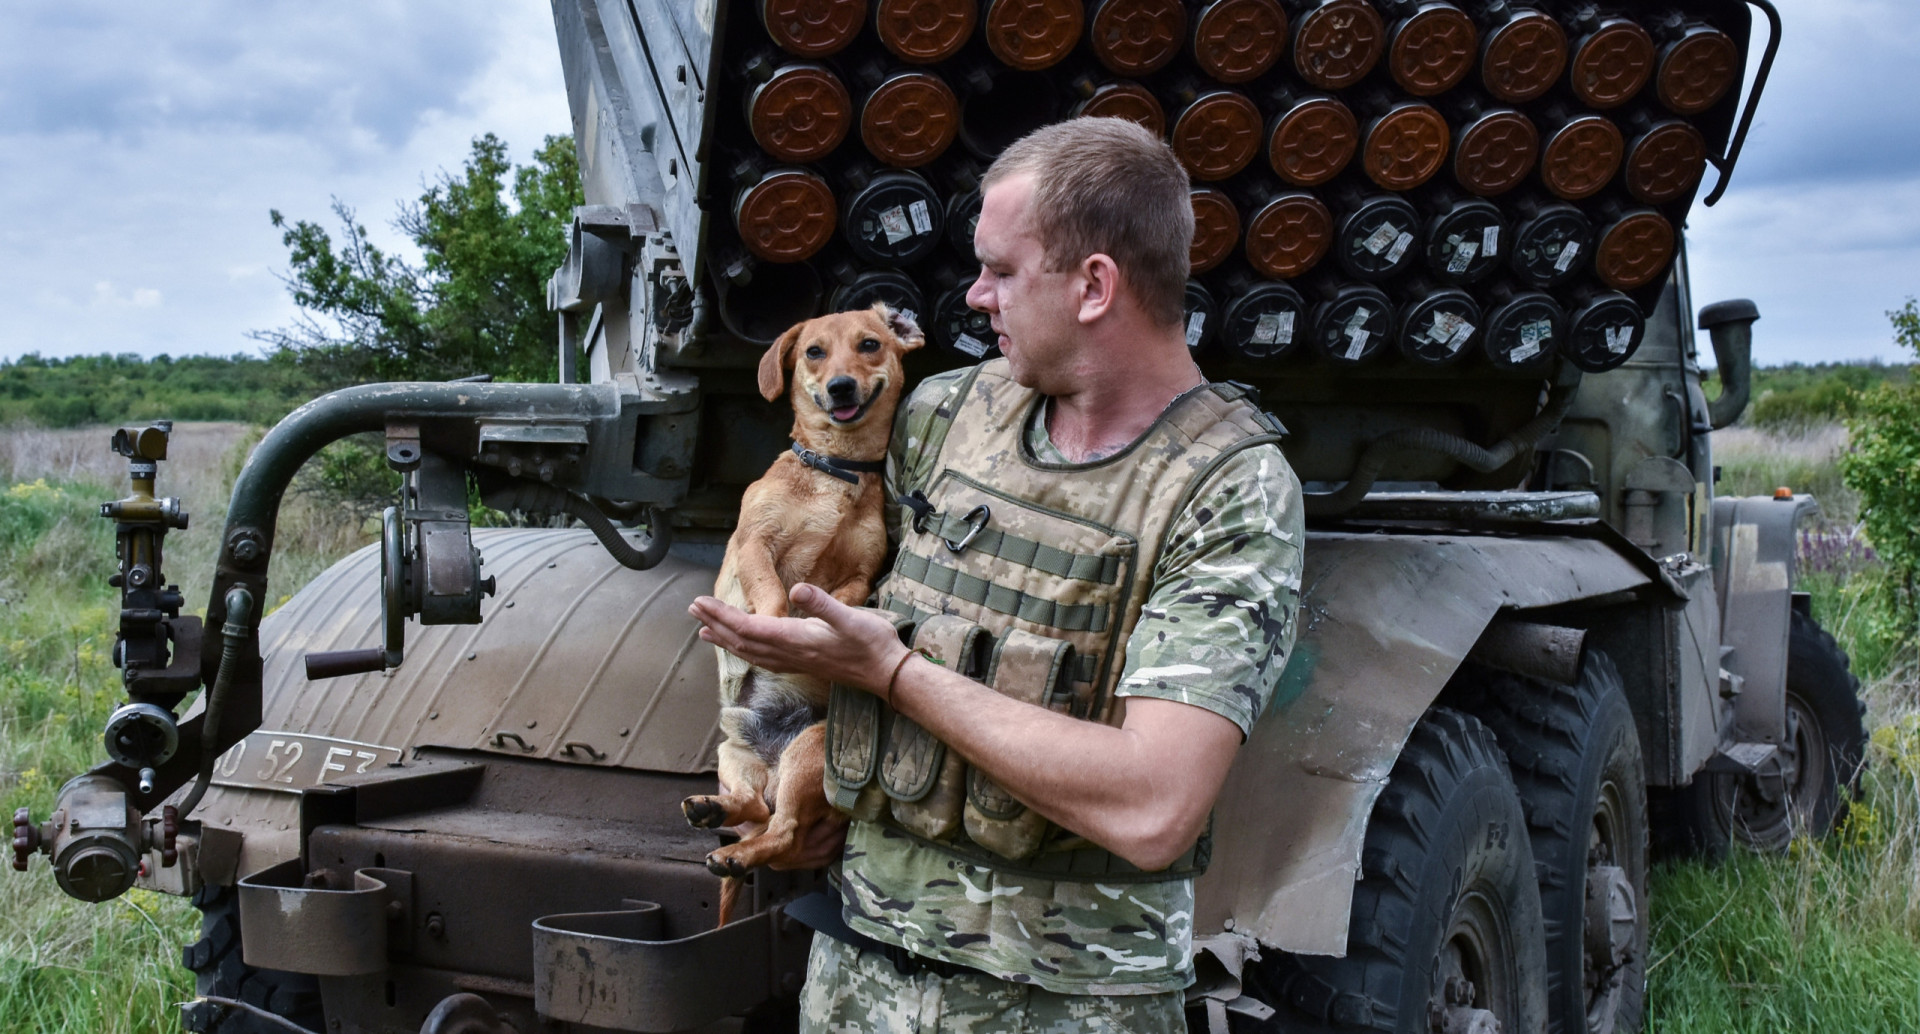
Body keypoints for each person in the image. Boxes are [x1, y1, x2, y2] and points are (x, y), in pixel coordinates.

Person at [690, 117, 1305, 1033]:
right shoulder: (942, 419)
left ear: (1095, 285)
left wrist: (891, 676)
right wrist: (810, 789)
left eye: (1002, 271)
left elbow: (1154, 806)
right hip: (861, 976)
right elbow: (831, 593)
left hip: (1064, 1002)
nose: (974, 297)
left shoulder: (1230, 492)